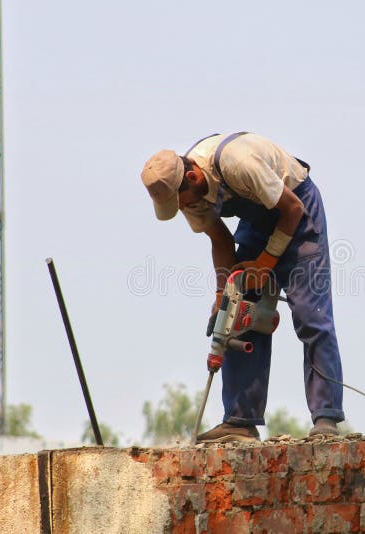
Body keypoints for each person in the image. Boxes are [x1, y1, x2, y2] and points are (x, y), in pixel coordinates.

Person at [140, 132, 344, 442]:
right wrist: (223, 296)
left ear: (192, 177)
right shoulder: (186, 193)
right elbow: (220, 239)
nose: (183, 208)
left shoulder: (237, 163)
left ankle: (326, 418)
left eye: (182, 202)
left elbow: (292, 210)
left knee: (310, 315)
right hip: (257, 223)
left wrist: (264, 263)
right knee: (238, 312)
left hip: (297, 209)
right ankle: (240, 420)